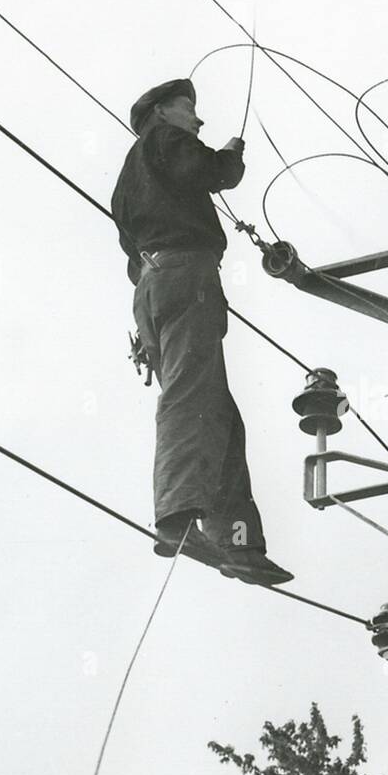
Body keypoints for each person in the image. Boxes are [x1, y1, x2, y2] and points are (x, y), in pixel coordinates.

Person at [111, 77, 292, 586]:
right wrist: (231, 157)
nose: (198, 118)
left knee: (216, 415)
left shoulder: (130, 177)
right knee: (195, 399)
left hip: (153, 288)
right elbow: (209, 171)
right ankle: (178, 516)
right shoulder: (164, 141)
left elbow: (134, 244)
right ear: (162, 112)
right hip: (184, 276)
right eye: (189, 109)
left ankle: (236, 543)